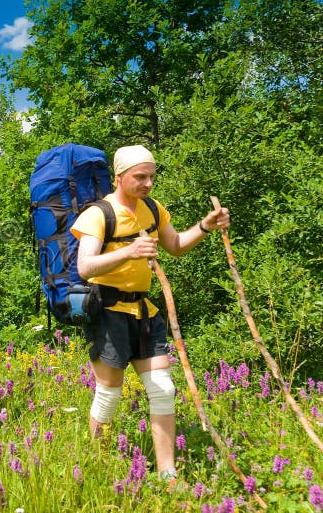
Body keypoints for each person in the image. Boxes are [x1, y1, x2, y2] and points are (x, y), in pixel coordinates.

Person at [70, 145, 230, 485]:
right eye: (139, 177)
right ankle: (96, 460)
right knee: (110, 394)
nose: (147, 184)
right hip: (108, 311)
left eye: (151, 177)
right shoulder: (98, 214)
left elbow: (175, 246)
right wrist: (129, 251)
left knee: (162, 389)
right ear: (119, 176)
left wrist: (204, 226)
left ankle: (167, 473)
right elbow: (84, 267)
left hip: (144, 311)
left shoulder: (154, 210)